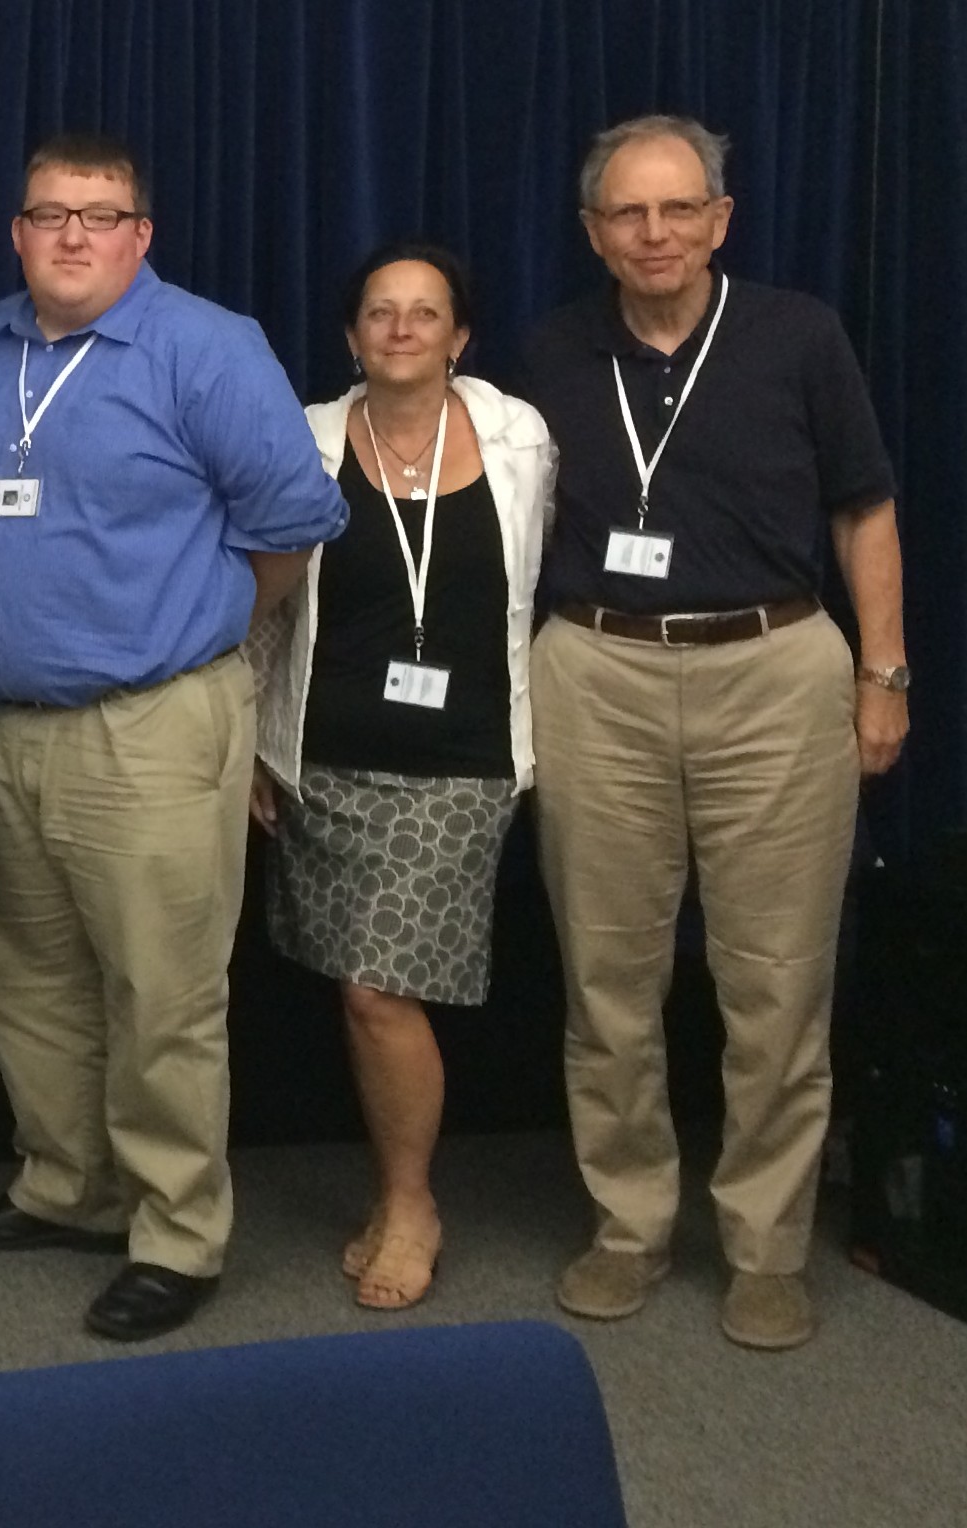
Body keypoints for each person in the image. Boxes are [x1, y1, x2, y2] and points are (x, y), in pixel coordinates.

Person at [0, 134, 344, 1342]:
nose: (70, 236)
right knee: (28, 982)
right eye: (48, 213)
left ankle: (176, 1230)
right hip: (0, 727)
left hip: (150, 726)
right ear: (16, 231)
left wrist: (198, 634)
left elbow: (290, 528)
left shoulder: (206, 349)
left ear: (139, 235)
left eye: (98, 215)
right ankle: (68, 1187)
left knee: (162, 993)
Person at [522, 115, 904, 1352]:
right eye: (628, 214)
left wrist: (884, 673)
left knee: (778, 980)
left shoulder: (798, 335)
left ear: (719, 220)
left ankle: (765, 1244)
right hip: (597, 671)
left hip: (775, 669)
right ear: (593, 233)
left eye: (678, 209)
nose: (655, 234)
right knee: (605, 978)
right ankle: (628, 1224)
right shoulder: (550, 351)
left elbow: (865, 507)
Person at [246, 242, 555, 1312]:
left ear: (460, 335)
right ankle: (392, 1189)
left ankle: (413, 1199)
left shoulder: (520, 439)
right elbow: (266, 601)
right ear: (351, 335)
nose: (402, 328)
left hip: (461, 763)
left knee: (379, 987)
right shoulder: (306, 438)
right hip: (325, 758)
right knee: (356, 984)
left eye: (426, 312)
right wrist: (250, 740)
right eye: (381, 311)